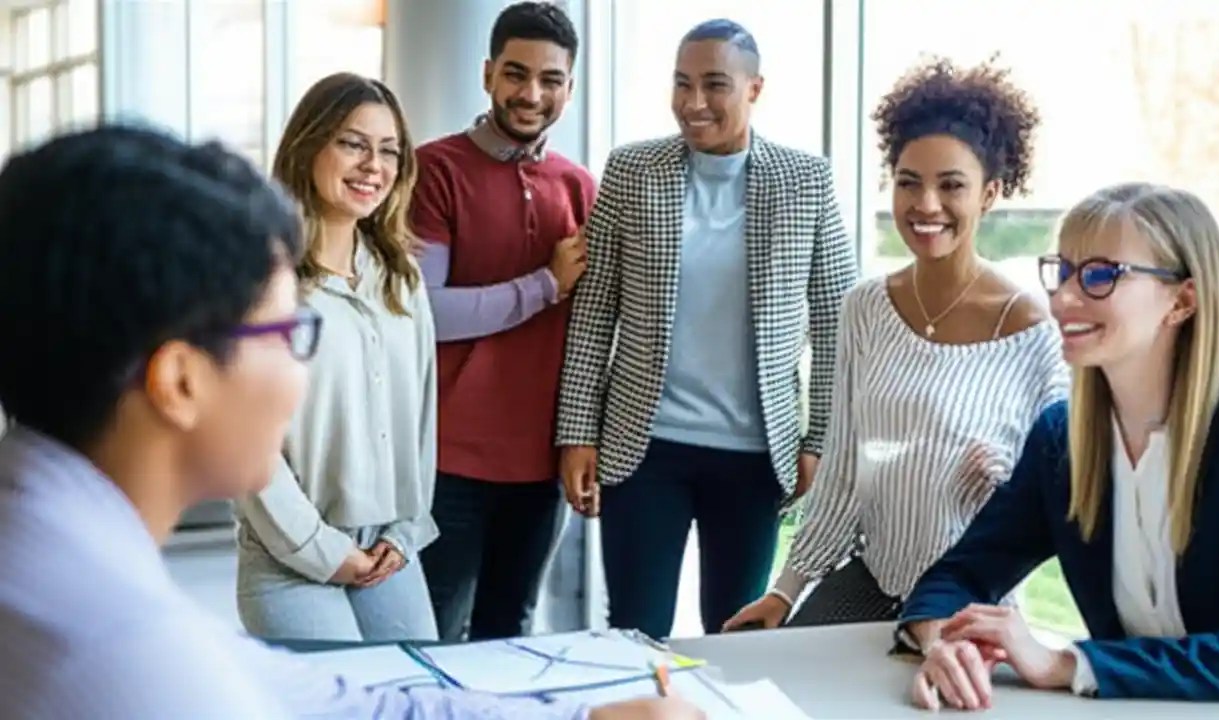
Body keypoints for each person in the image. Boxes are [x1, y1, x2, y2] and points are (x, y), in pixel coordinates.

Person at [0, 125, 705, 720]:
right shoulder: (124, 659)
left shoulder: (46, 542)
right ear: (181, 380)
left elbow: (322, 696)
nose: (299, 374)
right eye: (288, 334)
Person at [899, 182, 1219, 709]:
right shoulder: (1064, 439)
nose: (1062, 298)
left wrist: (1068, 663)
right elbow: (958, 575)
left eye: (1100, 275)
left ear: (1183, 299)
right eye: (1062, 271)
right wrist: (946, 643)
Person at [724, 57, 1067, 631]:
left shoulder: (1033, 331)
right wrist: (784, 593)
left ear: (990, 194)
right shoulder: (865, 308)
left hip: (971, 601)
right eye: (909, 183)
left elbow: (1057, 504)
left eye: (951, 185)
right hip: (870, 580)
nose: (926, 205)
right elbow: (840, 473)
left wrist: (1006, 480)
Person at [556, 18, 857, 641]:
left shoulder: (806, 181)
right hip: (645, 449)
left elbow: (837, 325)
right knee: (635, 631)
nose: (694, 103)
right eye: (682, 84)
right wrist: (577, 431)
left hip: (754, 454)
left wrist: (819, 440)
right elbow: (594, 312)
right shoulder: (632, 171)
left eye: (715, 84)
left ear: (754, 89)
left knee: (738, 632)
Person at [411, 1, 595, 643]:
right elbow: (426, 311)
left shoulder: (580, 188)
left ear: (569, 89)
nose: (532, 94)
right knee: (434, 633)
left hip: (543, 461)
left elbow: (596, 330)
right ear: (488, 74)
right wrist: (544, 285)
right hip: (448, 458)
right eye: (516, 74)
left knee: (511, 636)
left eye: (551, 80)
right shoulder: (433, 169)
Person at [232, 73, 438, 641]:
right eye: (353, 143)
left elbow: (422, 418)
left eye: (389, 150)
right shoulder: (263, 280)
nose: (374, 164)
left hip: (390, 548)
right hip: (288, 552)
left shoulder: (401, 277)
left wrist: (405, 531)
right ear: (309, 146)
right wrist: (321, 550)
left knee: (418, 700)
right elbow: (249, 444)